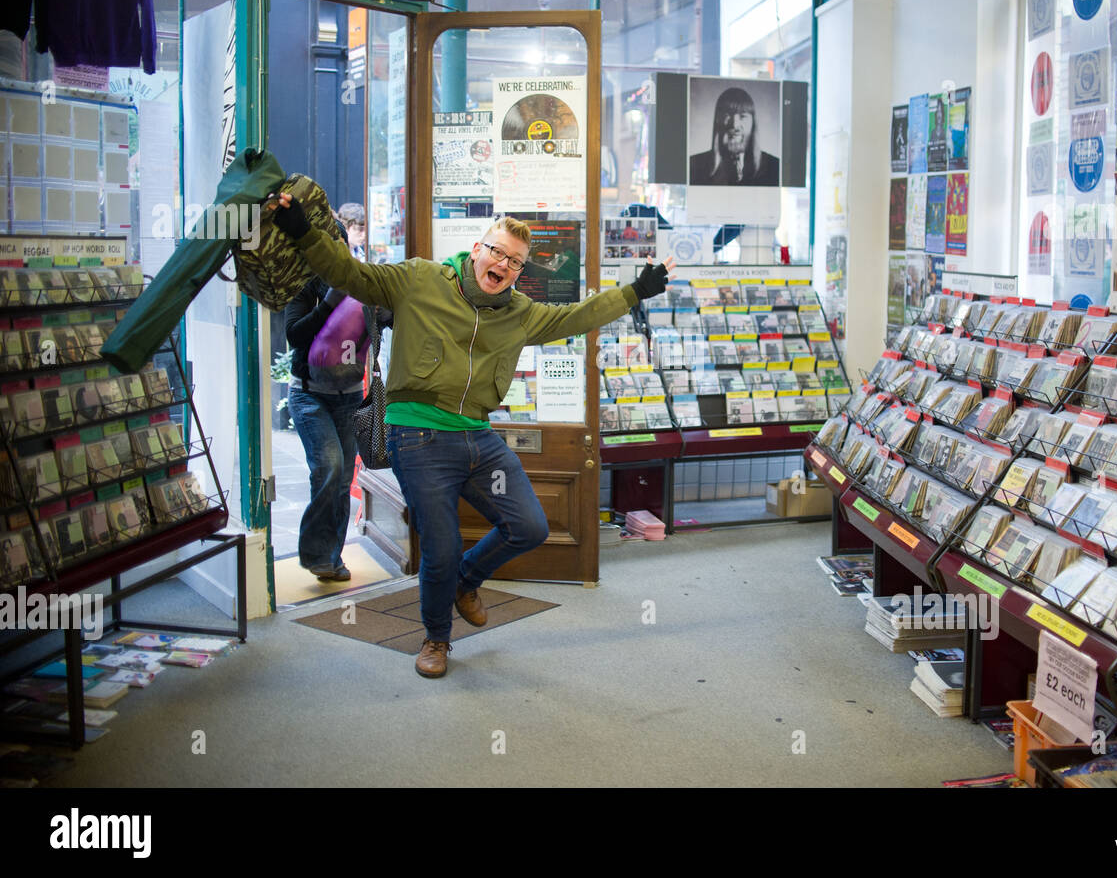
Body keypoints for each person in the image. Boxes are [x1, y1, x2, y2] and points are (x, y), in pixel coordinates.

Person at [272, 197, 673, 678]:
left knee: (529, 526)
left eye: (515, 262)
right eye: (497, 253)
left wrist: (634, 292)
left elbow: (576, 317)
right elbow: (350, 275)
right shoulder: (420, 279)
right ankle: (436, 639)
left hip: (478, 438)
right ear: (477, 248)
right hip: (417, 433)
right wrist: (304, 233)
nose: (503, 265)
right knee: (439, 546)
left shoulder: (519, 313)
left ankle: (465, 580)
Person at [283, 230, 369, 583]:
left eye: (337, 248)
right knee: (329, 467)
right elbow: (295, 334)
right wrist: (331, 302)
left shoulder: (362, 282)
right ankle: (318, 554)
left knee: (342, 477)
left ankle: (332, 558)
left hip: (349, 396)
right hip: (309, 394)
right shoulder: (304, 286)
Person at [688, 86, 779, 186]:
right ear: (717, 120)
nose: (735, 125)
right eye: (727, 115)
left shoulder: (775, 167)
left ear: (753, 123)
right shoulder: (694, 165)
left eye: (743, 116)